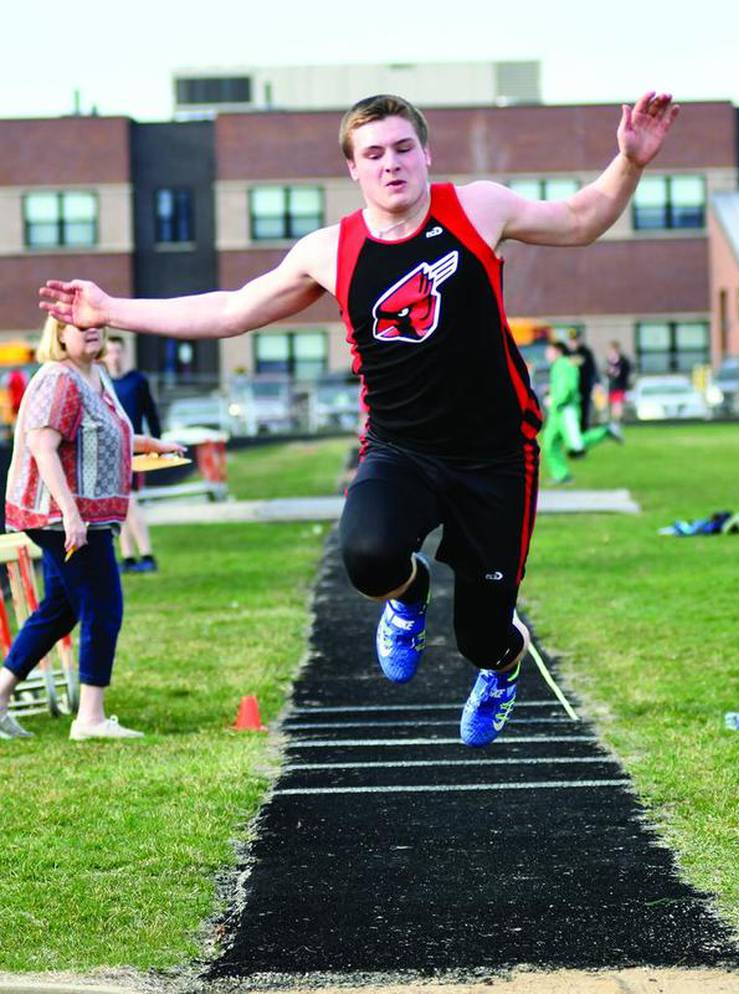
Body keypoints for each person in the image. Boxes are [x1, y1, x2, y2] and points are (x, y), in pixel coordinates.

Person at [38, 90, 678, 747]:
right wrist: (111, 309)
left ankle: (501, 670)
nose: (391, 164)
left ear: (426, 153)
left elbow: (580, 219)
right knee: (368, 557)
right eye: (373, 153)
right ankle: (409, 592)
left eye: (403, 148)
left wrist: (628, 161)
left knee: (482, 636)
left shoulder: (477, 208)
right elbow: (230, 310)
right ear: (353, 169)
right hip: (402, 450)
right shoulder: (330, 251)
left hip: (495, 457)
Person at [0, 317, 183, 741]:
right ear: (58, 334)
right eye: (79, 325)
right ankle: (90, 718)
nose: (91, 330)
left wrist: (151, 445)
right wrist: (70, 515)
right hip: (64, 516)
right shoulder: (60, 380)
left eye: (96, 324)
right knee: (103, 606)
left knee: (59, 610)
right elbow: (41, 448)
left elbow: (101, 436)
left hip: (90, 515)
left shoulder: (95, 373)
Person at [104, 335, 162, 573]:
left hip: (134, 452)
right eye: (111, 352)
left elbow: (152, 414)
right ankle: (128, 558)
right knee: (120, 506)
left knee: (132, 502)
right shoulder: (102, 383)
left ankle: (147, 555)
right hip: (110, 453)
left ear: (124, 353)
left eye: (118, 351)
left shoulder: (137, 381)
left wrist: (158, 445)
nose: (115, 356)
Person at [541, 340, 621, 485]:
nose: (547, 354)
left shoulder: (565, 364)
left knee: (576, 444)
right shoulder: (558, 366)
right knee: (550, 443)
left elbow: (569, 387)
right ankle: (562, 475)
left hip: (565, 410)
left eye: (549, 351)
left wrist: (556, 400)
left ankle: (605, 431)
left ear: (557, 351)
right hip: (556, 412)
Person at [566, 327, 599, 432]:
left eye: (575, 339)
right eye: (571, 340)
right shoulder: (566, 353)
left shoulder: (586, 352)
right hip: (570, 388)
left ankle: (583, 430)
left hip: (584, 387)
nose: (573, 342)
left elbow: (593, 369)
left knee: (584, 410)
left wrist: (595, 384)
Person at [605, 340, 632, 426]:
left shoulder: (623, 360)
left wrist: (617, 372)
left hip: (619, 386)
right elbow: (607, 372)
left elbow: (625, 371)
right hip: (612, 386)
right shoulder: (610, 361)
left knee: (617, 404)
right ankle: (615, 421)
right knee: (614, 404)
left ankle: (617, 422)